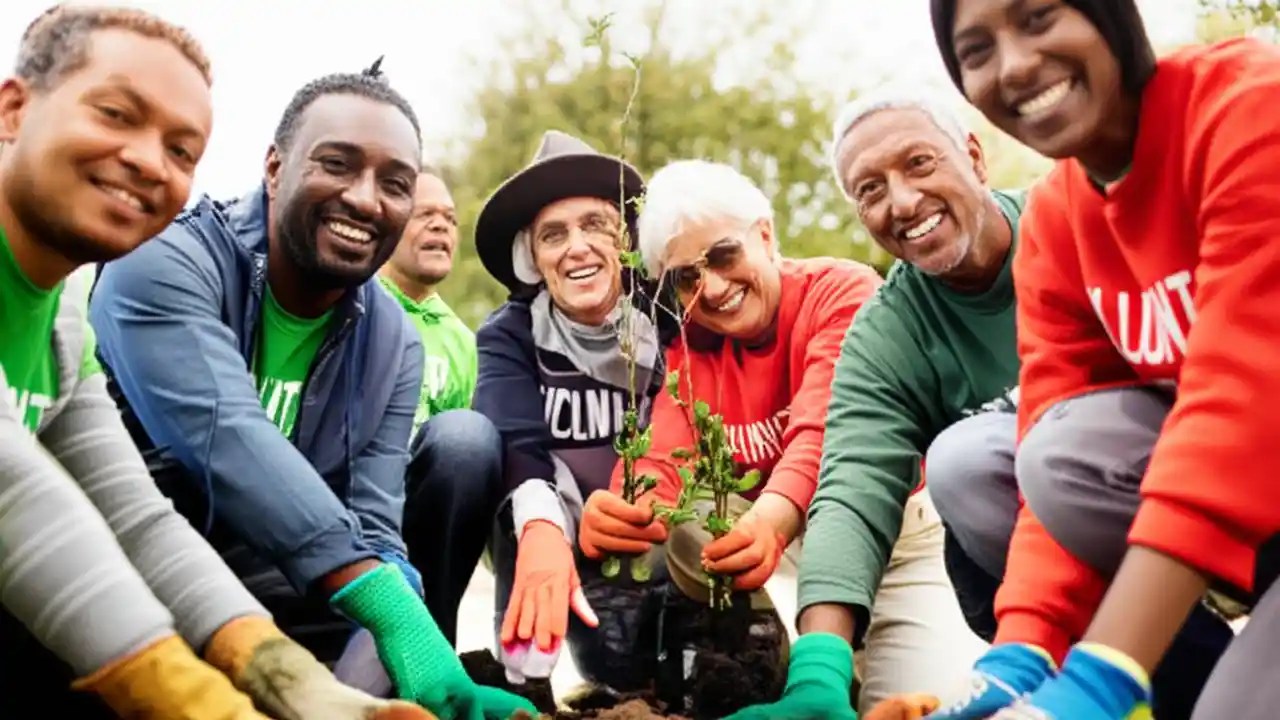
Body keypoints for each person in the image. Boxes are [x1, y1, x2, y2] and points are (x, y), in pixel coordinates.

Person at [0, 6, 432, 720]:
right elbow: (17, 494)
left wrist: (294, 682)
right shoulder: (163, 265)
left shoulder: (59, 327)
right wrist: (198, 696)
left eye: (181, 150)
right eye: (114, 114)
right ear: (14, 109)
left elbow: (134, 520)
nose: (146, 160)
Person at [89, 60, 530, 719]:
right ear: (274, 168)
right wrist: (384, 605)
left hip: (286, 580)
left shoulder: (394, 340)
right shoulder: (163, 262)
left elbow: (377, 526)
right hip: (129, 564)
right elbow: (227, 439)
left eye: (395, 183)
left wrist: (380, 681)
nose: (364, 197)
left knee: (392, 609)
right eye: (337, 164)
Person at [920, 1, 1280, 718]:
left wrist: (1103, 671)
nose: (1015, 64)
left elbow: (1240, 396)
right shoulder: (1058, 222)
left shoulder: (1248, 109)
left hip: (1251, 455)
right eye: (977, 50)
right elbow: (1051, 426)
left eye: (1039, 16)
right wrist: (1025, 645)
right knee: (1040, 453)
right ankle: (1186, 671)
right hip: (1250, 512)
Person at [579, 158, 935, 714]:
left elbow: (828, 431)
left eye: (723, 255)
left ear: (765, 236)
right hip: (786, 541)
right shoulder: (692, 346)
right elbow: (665, 456)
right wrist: (634, 506)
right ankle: (768, 659)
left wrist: (771, 519)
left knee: (912, 702)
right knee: (691, 520)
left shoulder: (840, 293)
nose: (713, 289)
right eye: (687, 278)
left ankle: (846, 660)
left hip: (896, 539)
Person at [730, 89, 1023, 720]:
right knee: (965, 464)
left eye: (919, 163)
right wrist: (820, 673)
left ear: (973, 156)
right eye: (870, 190)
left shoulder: (1071, 228)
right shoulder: (888, 332)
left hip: (1186, 500)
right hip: (1035, 583)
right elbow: (853, 487)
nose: (902, 201)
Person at [471, 130, 666, 690]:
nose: (577, 247)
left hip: (641, 538)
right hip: (549, 530)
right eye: (553, 235)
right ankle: (521, 679)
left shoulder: (667, 316)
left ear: (626, 239)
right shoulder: (510, 333)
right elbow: (515, 446)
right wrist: (541, 531)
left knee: (624, 668)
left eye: (595, 226)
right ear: (531, 258)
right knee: (489, 466)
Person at [378, 164, 477, 430]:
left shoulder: (464, 343)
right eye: (424, 214)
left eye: (450, 219)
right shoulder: (355, 308)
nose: (440, 226)